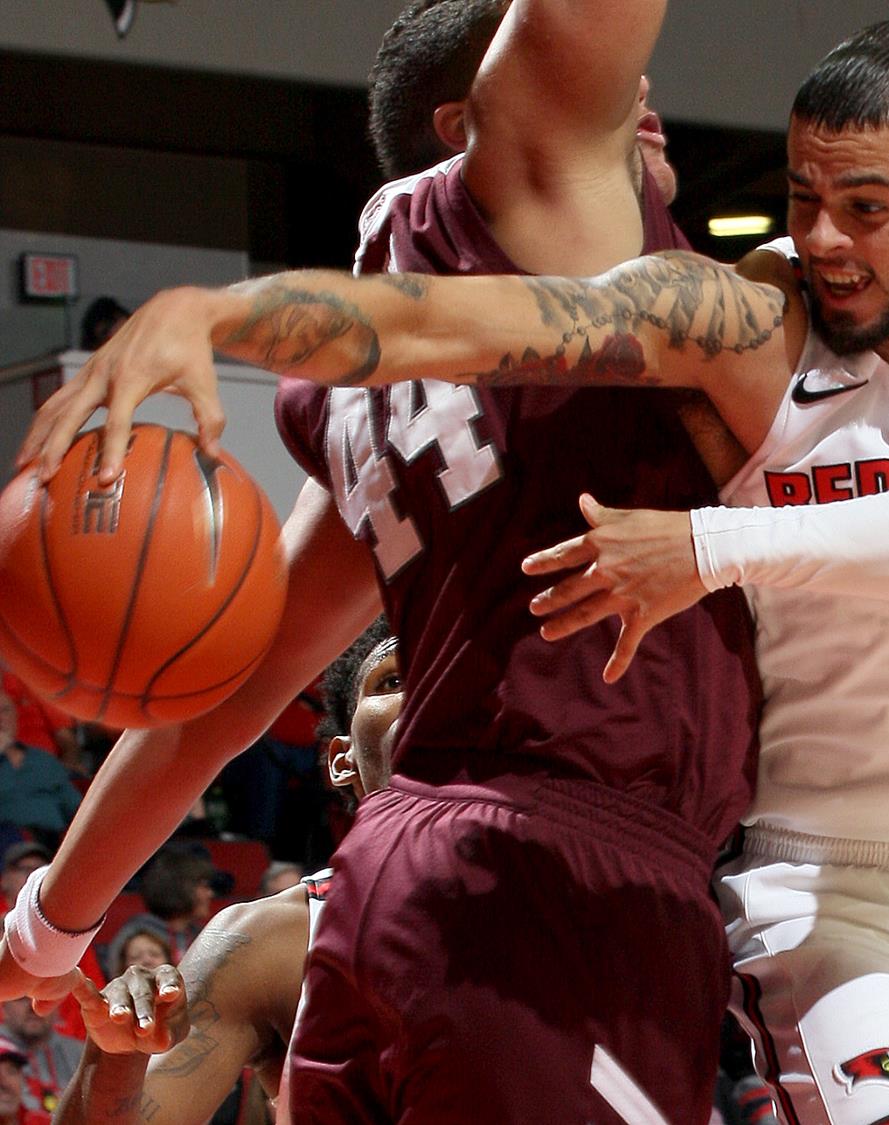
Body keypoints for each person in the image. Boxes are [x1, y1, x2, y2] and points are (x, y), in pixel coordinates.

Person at [19, 19, 889, 1122]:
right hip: (743, 893)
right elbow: (494, 285)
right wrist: (223, 314)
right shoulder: (713, 309)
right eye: (803, 200)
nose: (648, 117)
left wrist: (47, 923)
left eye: (865, 207)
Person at [1, 3, 762, 1122]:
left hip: (389, 896)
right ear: (477, 126)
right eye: (611, 102)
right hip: (558, 893)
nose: (643, 107)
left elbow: (227, 693)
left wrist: (46, 928)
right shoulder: (554, 208)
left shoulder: (366, 395)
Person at [53, 626, 401, 1125]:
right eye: (393, 681)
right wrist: (115, 1059)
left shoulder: (553, 899)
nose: (430, 696)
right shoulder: (271, 940)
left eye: (444, 677)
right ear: (343, 762)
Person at [0, 696, 80, 840]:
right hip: (8, 842)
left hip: (52, 841)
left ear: (16, 718)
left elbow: (76, 809)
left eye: (5, 711)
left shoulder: (43, 760)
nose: (0, 719)